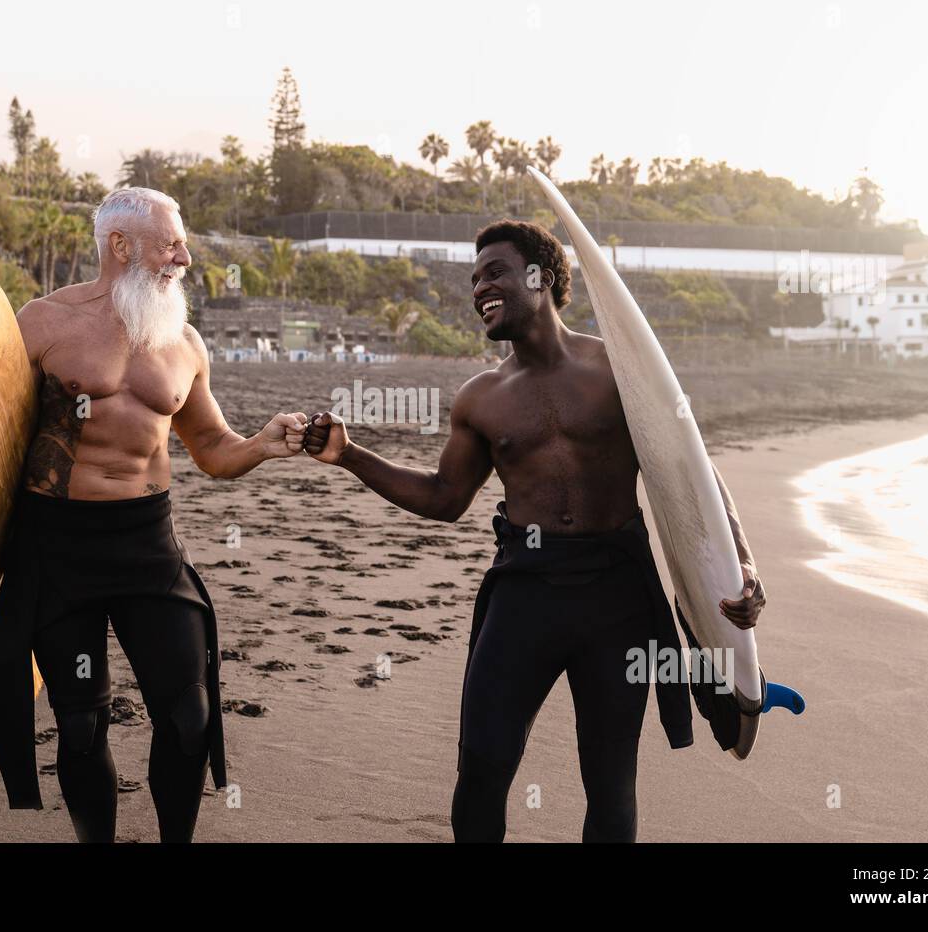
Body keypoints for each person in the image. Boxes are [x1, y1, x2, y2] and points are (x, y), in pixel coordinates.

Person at [302, 219, 766, 842]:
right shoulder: (481, 397)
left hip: (616, 598)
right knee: (484, 765)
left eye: (492, 272)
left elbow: (693, 472)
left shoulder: (619, 371)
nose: (478, 289)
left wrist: (741, 564)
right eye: (472, 280)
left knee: (610, 777)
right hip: (525, 593)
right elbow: (445, 499)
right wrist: (351, 455)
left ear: (538, 277)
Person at [0, 187, 309, 842]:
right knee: (83, 723)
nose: (184, 256)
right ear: (120, 245)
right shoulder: (42, 323)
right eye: (171, 242)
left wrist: (263, 443)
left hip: (148, 545)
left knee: (189, 715)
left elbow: (211, 448)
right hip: (55, 546)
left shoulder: (184, 343)